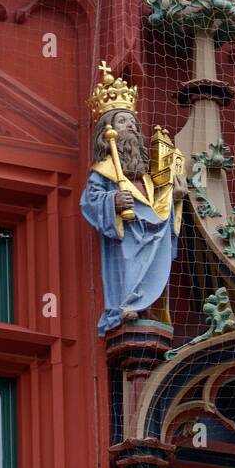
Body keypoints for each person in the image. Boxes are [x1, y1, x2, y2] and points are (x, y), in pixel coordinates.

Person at [80, 65, 186, 336]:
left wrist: (173, 198)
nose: (131, 127)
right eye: (123, 122)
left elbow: (156, 210)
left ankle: (149, 308)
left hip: (152, 238)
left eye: (133, 123)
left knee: (155, 263)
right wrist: (113, 199)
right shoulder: (104, 170)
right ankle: (127, 304)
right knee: (127, 263)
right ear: (108, 131)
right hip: (126, 238)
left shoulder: (146, 177)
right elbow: (89, 200)